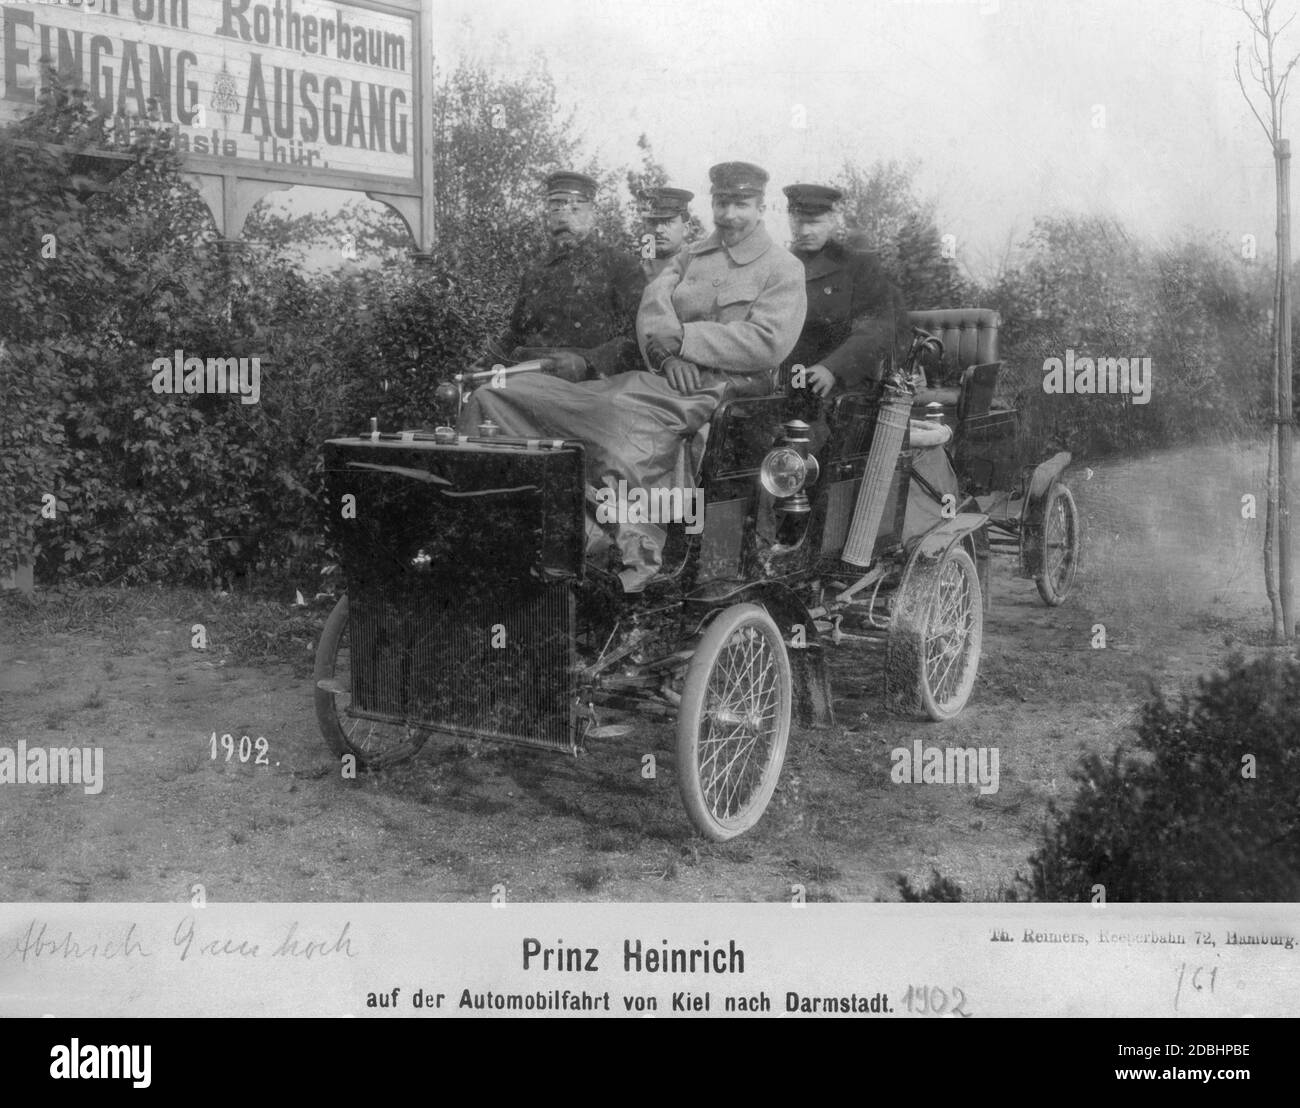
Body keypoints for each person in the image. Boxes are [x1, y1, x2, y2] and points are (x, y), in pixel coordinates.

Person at [461, 161, 806, 594]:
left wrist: (683, 342)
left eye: (741, 204)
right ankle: (520, 529)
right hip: (663, 379)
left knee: (621, 433)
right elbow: (652, 311)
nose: (730, 215)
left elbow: (767, 341)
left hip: (722, 388)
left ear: (761, 206)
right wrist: (664, 358)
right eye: (722, 203)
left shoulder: (783, 268)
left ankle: (637, 552)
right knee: (513, 395)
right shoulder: (690, 256)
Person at [481, 170, 645, 380]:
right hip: (531, 374)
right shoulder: (535, 271)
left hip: (592, 382)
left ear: (592, 212)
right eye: (556, 208)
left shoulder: (621, 266)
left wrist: (588, 362)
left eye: (574, 208)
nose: (563, 217)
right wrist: (490, 360)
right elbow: (517, 334)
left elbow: (638, 336)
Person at [780, 183, 901, 400]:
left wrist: (832, 368)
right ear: (790, 220)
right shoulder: (779, 264)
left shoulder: (858, 264)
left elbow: (876, 328)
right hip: (785, 380)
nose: (806, 231)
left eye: (814, 222)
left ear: (832, 221)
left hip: (842, 385)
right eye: (799, 222)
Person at [637, 186, 693, 281]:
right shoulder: (635, 272)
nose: (658, 230)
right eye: (653, 222)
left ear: (686, 229)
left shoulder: (696, 268)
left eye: (667, 222)